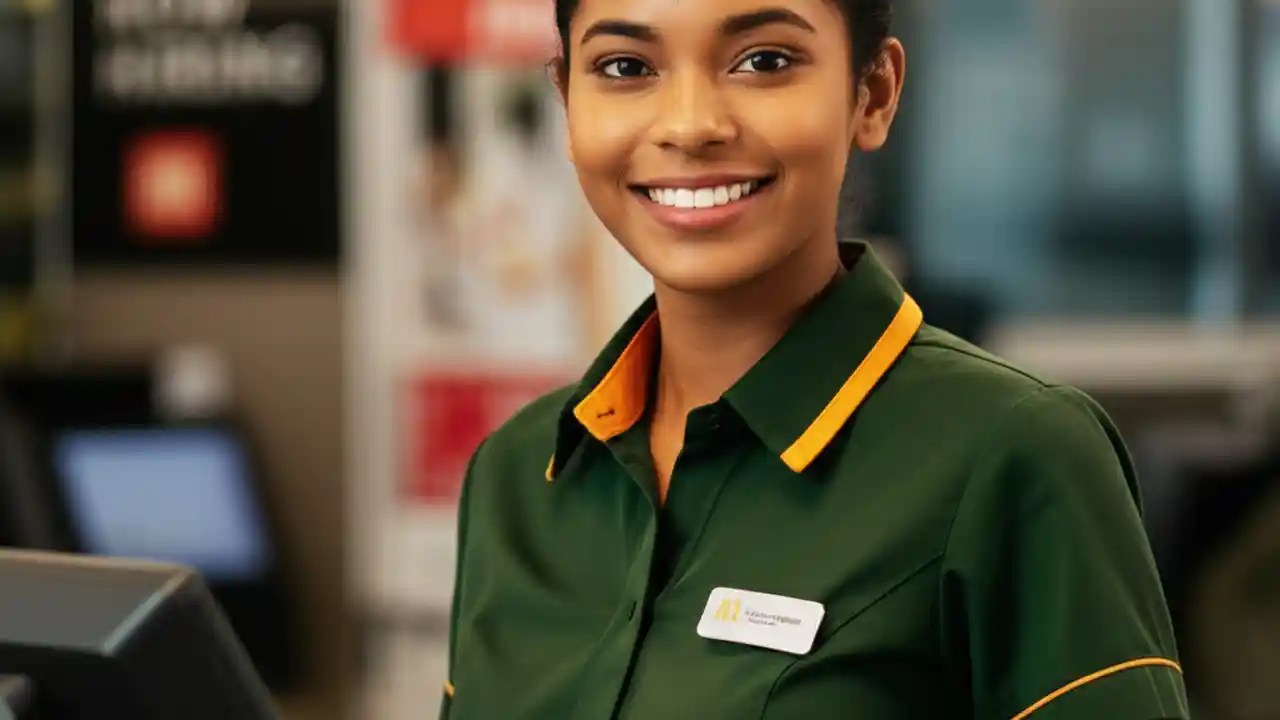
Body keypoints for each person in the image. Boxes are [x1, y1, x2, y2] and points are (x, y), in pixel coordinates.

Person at [439, 0, 1191, 717]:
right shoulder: (520, 472)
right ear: (566, 98)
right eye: (627, 68)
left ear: (874, 94)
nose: (691, 124)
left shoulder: (1016, 455)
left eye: (764, 60)